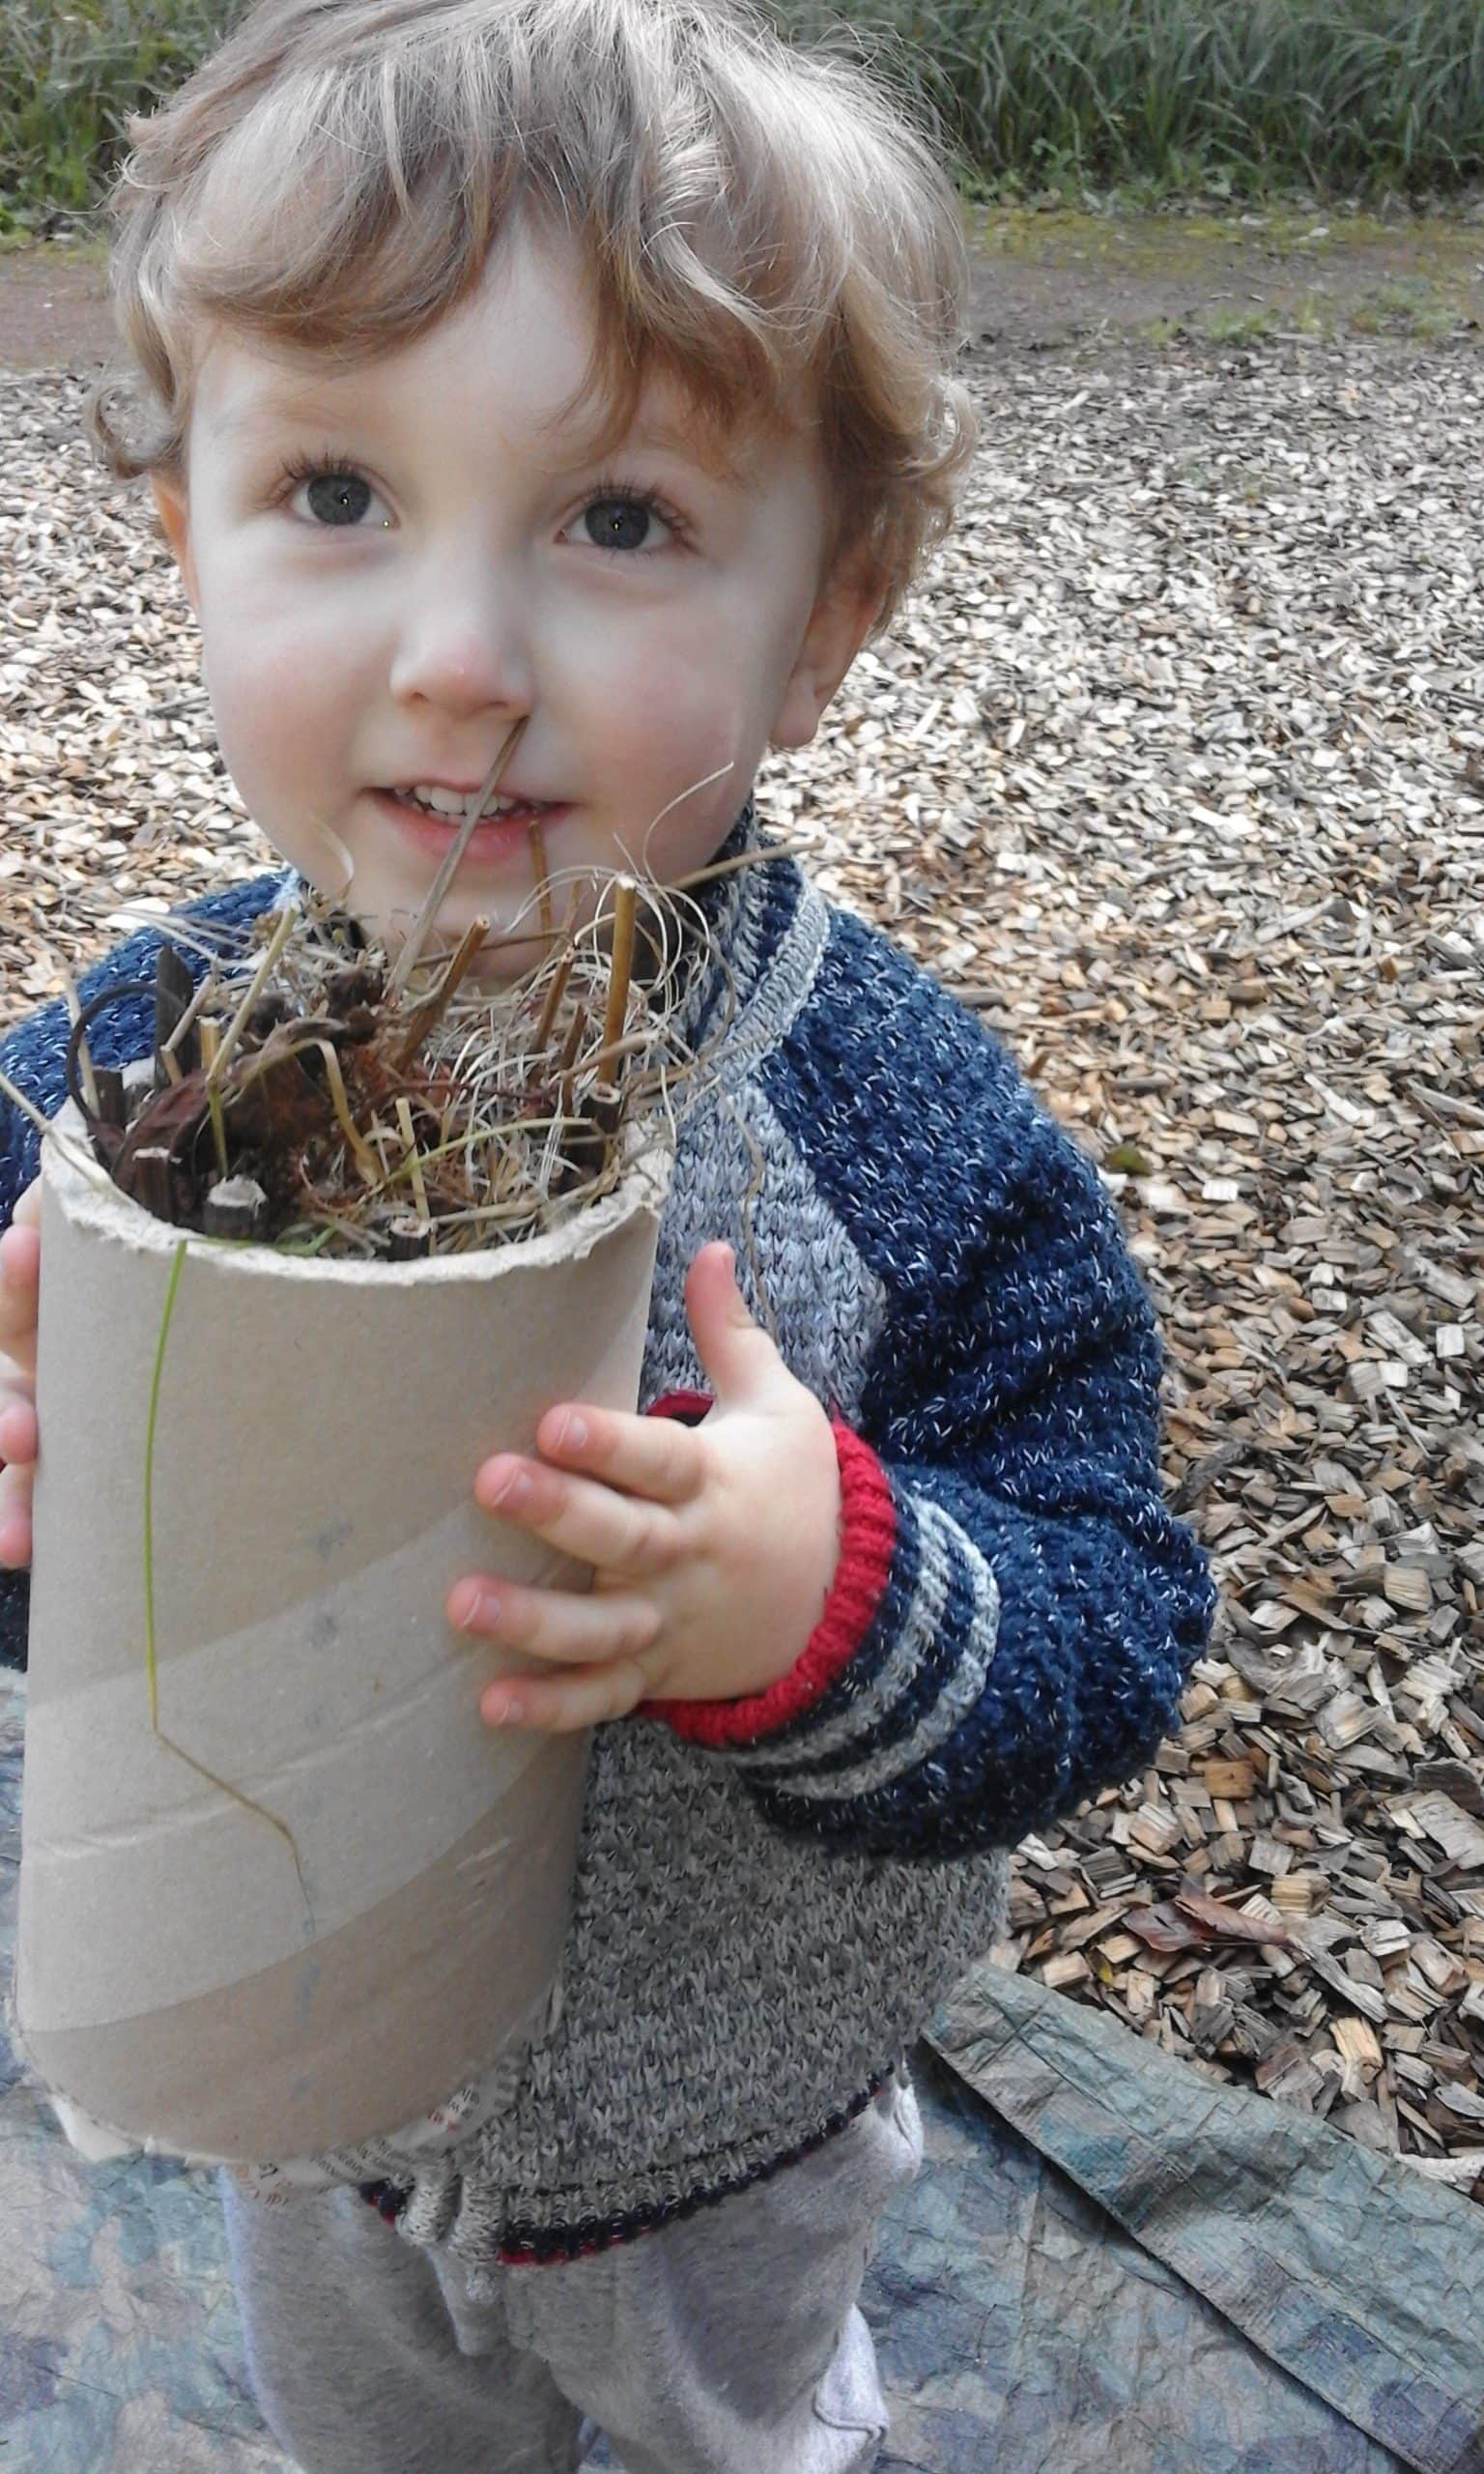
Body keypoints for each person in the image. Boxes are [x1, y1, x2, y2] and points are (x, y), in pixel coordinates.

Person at [0, 1, 1218, 2466]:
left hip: (713, 2149)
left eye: (623, 518)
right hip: (306, 2092)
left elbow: (1112, 1598)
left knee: (735, 2441)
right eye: (335, 490)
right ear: (181, 524)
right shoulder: (114, 1080)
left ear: (830, 608)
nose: (460, 654)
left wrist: (827, 1593)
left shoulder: (893, 1137)